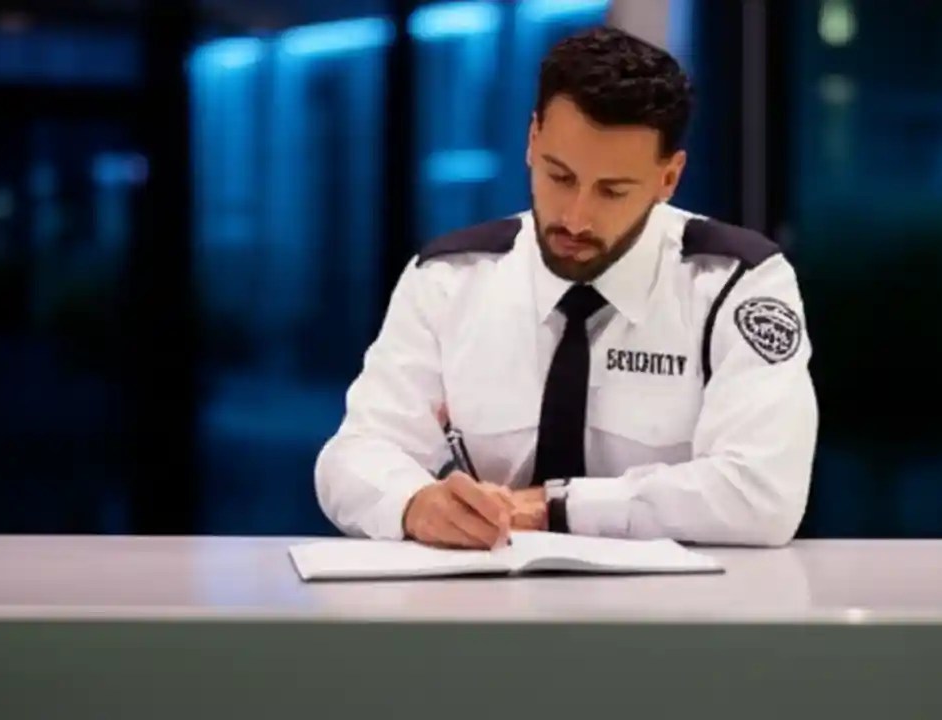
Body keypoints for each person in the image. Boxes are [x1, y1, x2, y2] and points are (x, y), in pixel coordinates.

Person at [315, 26, 817, 549]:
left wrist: (556, 506)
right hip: (481, 611)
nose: (576, 218)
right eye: (560, 177)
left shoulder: (733, 283)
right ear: (532, 141)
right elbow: (353, 455)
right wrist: (413, 503)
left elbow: (763, 494)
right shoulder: (450, 278)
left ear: (669, 178)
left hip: (672, 619)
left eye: (612, 191)